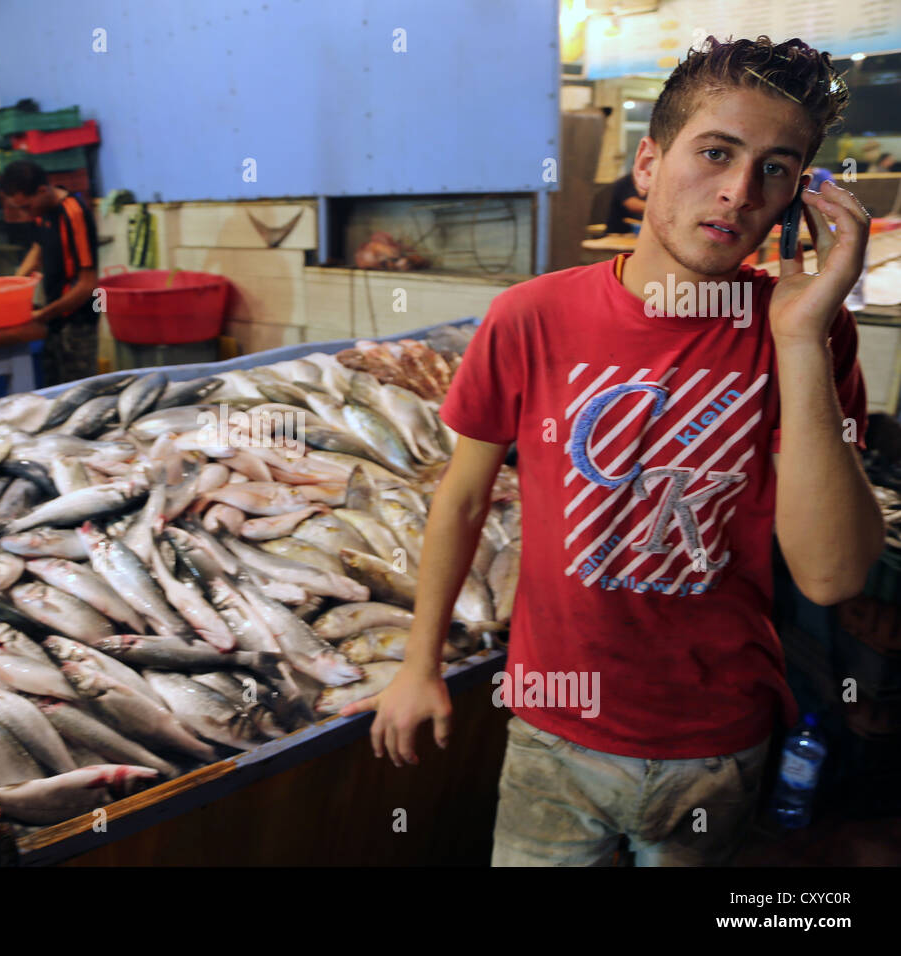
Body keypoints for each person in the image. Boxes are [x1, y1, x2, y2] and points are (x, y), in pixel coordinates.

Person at [343, 35, 883, 866]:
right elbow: (460, 497)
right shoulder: (531, 316)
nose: (738, 191)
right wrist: (418, 664)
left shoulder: (808, 332)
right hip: (552, 731)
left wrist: (801, 340)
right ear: (646, 164)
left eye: (777, 168)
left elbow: (833, 575)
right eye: (715, 152)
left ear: (799, 199)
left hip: (717, 741)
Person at [0, 159, 99, 385]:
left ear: (43, 191)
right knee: (53, 388)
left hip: (77, 322)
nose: (26, 215)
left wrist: (43, 315)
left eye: (26, 207)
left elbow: (87, 284)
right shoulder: (40, 212)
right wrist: (8, 289)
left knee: (77, 390)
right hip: (53, 317)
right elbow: (37, 250)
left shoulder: (74, 213)